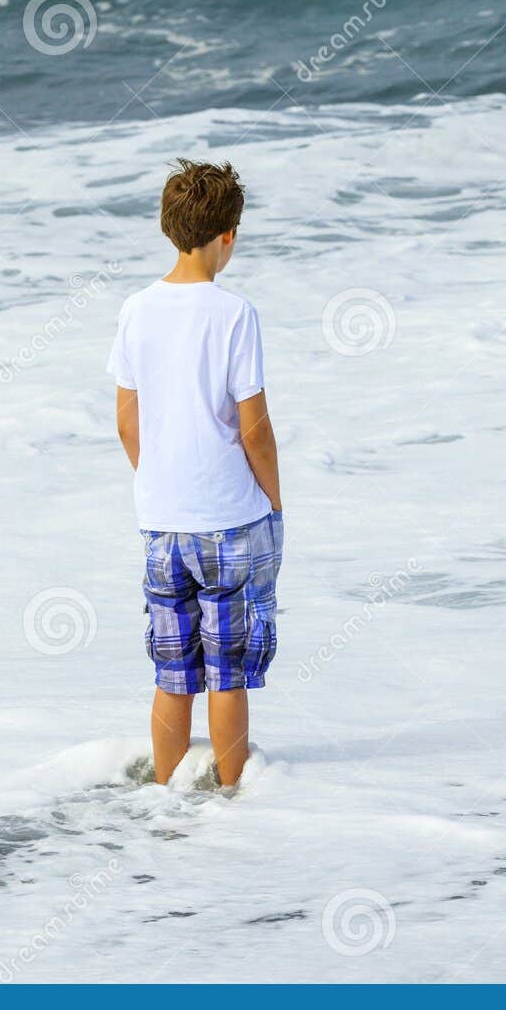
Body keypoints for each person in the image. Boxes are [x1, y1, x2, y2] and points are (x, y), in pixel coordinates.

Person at [107, 159, 283, 789]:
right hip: (230, 521)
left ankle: (163, 795)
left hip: (161, 520)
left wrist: (160, 480)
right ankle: (231, 798)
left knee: (173, 672)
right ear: (228, 235)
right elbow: (254, 428)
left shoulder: (136, 309)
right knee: (228, 674)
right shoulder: (234, 313)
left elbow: (126, 421)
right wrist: (274, 500)